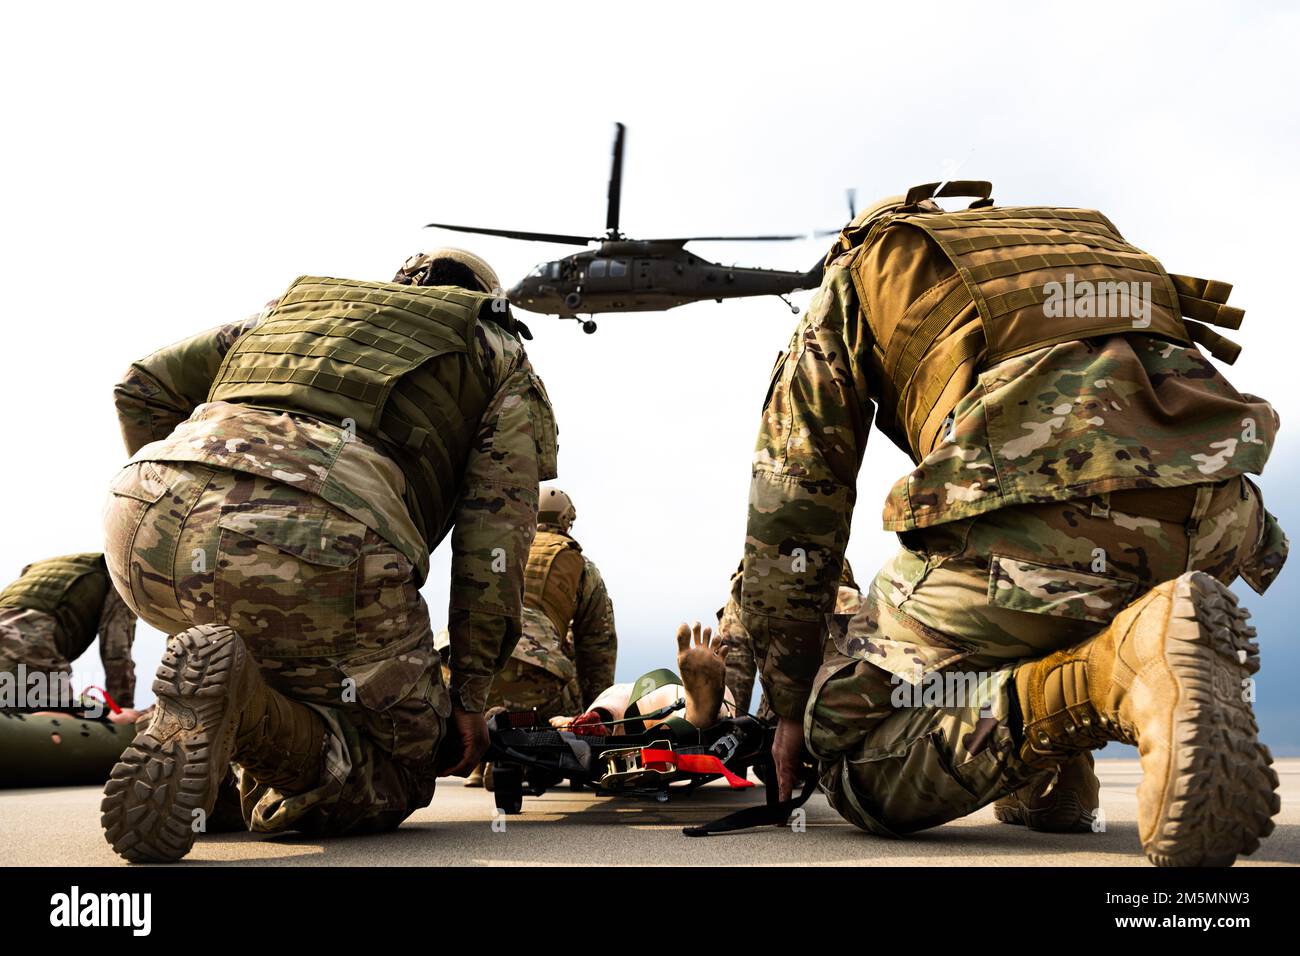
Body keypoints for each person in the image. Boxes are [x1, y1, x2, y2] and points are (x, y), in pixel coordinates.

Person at [739, 183, 1286, 866]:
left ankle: (1104, 680)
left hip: (1044, 524)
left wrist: (790, 702)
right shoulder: (1083, 242)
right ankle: (1059, 776)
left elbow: (794, 498)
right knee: (1023, 606)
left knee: (846, 751)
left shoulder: (863, 269)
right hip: (1217, 519)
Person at [99, 248, 558, 862]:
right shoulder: (495, 353)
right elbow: (492, 546)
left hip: (142, 520)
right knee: (401, 765)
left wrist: (193, 498)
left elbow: (141, 387)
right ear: (488, 303)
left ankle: (228, 766)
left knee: (293, 664)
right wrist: (471, 696)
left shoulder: (295, 315)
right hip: (317, 545)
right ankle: (253, 723)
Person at [468, 487, 617, 786]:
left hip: (466, 670)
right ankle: (525, 759)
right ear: (566, 522)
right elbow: (597, 650)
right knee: (564, 668)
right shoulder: (580, 567)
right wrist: (598, 719)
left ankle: (481, 755)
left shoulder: (498, 548)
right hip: (534, 678)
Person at [0, 553, 137, 709]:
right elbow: (116, 651)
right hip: (26, 649)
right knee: (63, 725)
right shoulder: (119, 580)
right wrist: (120, 707)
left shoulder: (45, 566)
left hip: (13, 644)